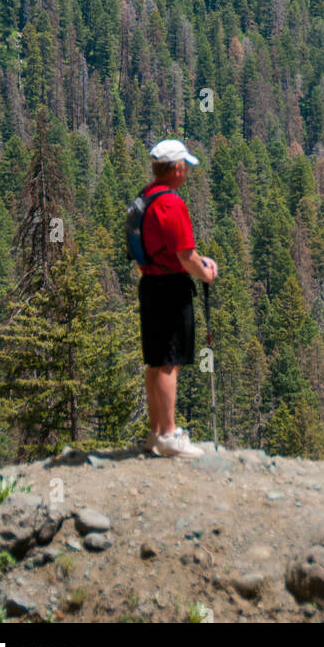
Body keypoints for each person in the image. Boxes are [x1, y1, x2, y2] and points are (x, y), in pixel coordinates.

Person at [137, 138, 217, 458]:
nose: (187, 173)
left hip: (150, 284)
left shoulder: (145, 198)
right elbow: (186, 255)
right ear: (177, 168)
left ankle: (156, 432)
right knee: (171, 362)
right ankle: (170, 435)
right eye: (185, 167)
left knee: (156, 360)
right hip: (171, 288)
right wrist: (206, 271)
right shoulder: (172, 204)